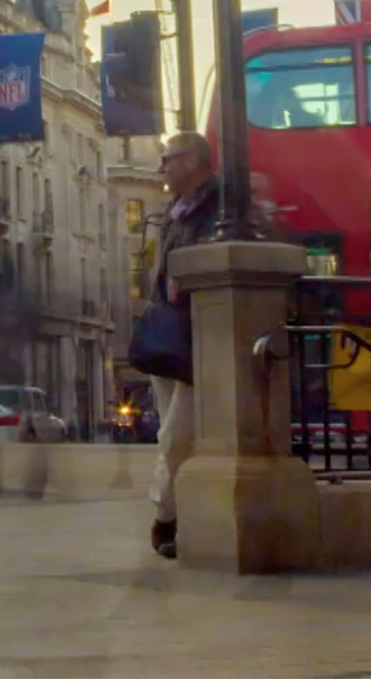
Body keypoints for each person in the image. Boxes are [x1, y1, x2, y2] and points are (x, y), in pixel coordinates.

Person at [147, 130, 222, 559]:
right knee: (169, 435)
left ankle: (166, 516)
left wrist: (186, 277)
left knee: (178, 436)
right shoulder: (172, 213)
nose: (164, 167)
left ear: (193, 161)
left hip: (201, 334)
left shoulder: (220, 208)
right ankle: (180, 515)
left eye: (170, 159)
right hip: (166, 333)